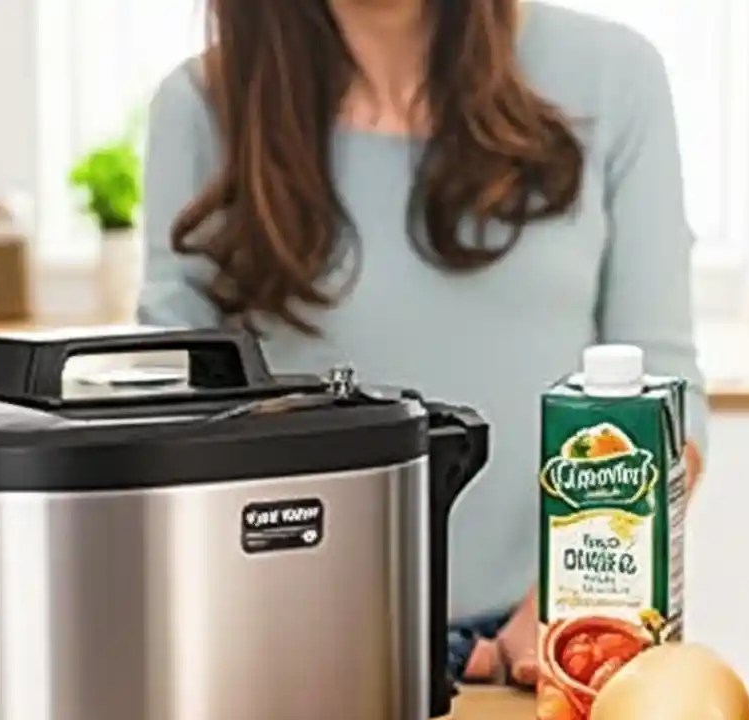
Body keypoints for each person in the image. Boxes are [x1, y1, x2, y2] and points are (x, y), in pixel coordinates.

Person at [139, 0, 708, 687]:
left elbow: (665, 386)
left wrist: (575, 603)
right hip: (290, 643)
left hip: (547, 643)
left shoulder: (615, 76)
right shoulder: (198, 108)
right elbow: (167, 424)